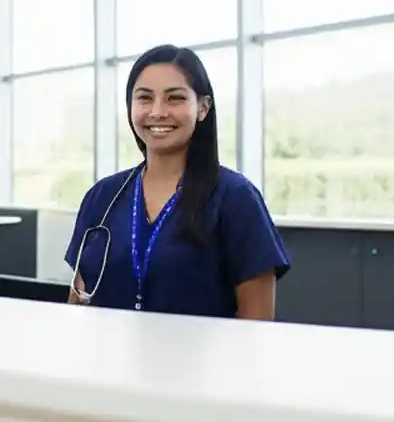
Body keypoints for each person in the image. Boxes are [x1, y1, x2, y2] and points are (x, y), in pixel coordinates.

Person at [65, 44, 290, 320]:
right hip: (107, 360)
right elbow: (77, 305)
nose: (158, 112)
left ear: (203, 108)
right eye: (145, 98)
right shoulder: (103, 196)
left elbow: (257, 326)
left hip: (202, 364)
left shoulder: (236, 198)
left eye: (175, 99)